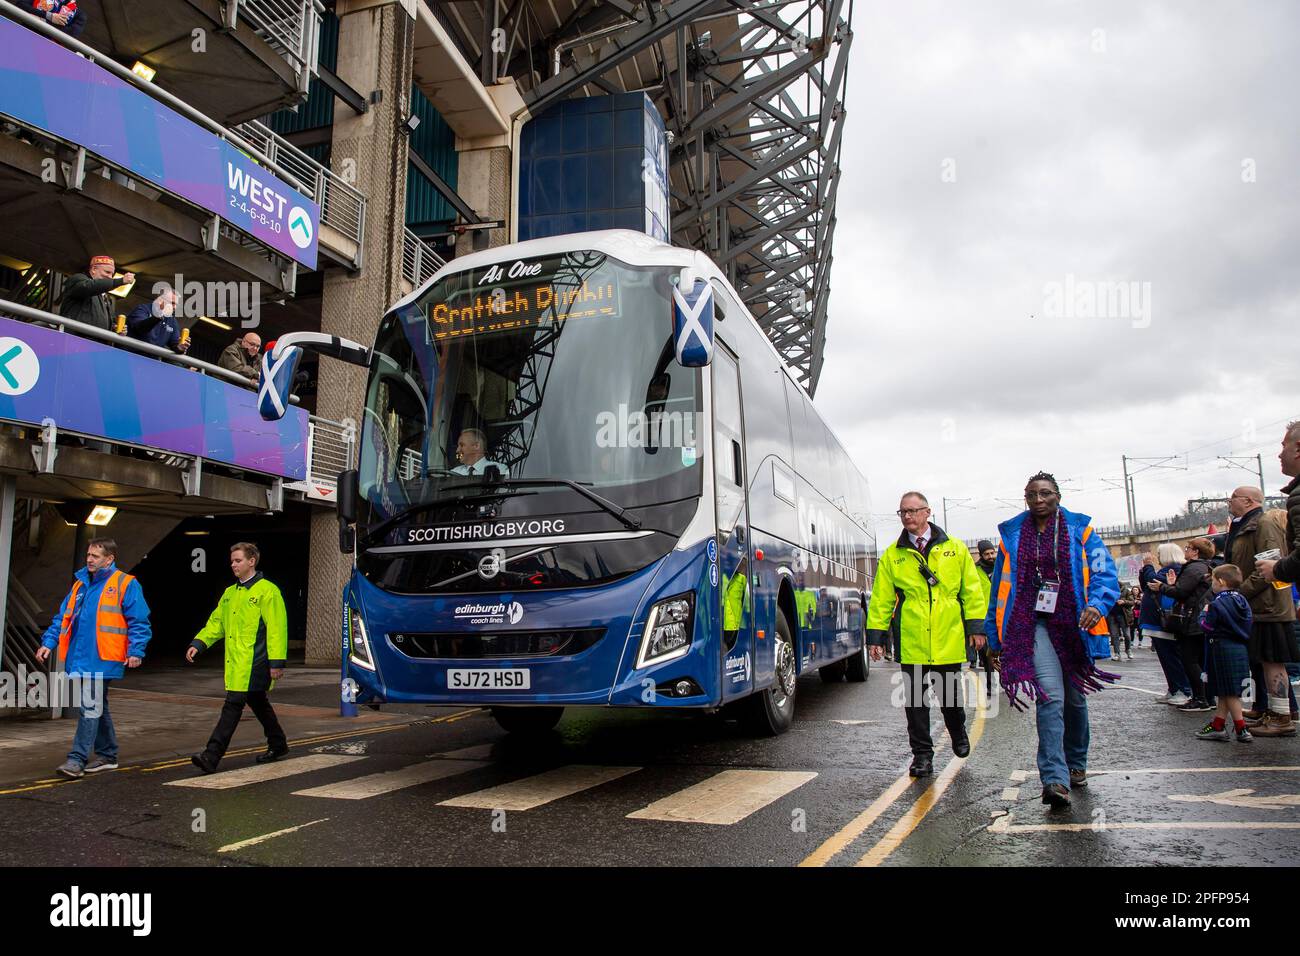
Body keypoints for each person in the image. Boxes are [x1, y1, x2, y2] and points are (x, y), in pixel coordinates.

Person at [984, 472, 1118, 808]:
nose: (1039, 499)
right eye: (1032, 494)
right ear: (1025, 498)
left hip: (1074, 623)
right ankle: (1054, 779)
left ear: (1058, 495)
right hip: (1033, 624)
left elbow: (1105, 574)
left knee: (1074, 700)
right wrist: (992, 635)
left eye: (1045, 493)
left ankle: (1075, 763)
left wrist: (1097, 605)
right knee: (1051, 698)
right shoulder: (1011, 536)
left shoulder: (1081, 530)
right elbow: (998, 587)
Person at [865, 492, 987, 777]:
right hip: (913, 638)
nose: (907, 516)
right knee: (916, 704)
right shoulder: (893, 556)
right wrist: (876, 637)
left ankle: (957, 733)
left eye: (912, 511)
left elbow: (972, 591)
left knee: (949, 699)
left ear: (927, 512)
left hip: (948, 636)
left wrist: (976, 629)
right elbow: (882, 599)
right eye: (902, 512)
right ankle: (922, 755)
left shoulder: (955, 549)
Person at [35, 538, 151, 778]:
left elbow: (138, 621)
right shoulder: (80, 585)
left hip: (103, 657)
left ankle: (76, 759)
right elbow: (62, 618)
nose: (89, 559)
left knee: (89, 706)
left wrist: (136, 651)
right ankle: (108, 755)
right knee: (97, 706)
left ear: (109, 559)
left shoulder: (125, 583)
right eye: (89, 554)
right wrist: (48, 643)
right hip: (82, 656)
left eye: (95, 556)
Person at [186, 543, 290, 772]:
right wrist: (199, 643)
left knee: (233, 706)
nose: (233, 564)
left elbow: (276, 629)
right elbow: (216, 624)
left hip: (256, 662)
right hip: (237, 663)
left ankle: (211, 756)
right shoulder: (229, 593)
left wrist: (276, 663)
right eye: (232, 561)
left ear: (251, 561)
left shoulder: (267, 591)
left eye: (238, 560)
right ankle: (278, 743)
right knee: (258, 702)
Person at [1223, 486, 1298, 737]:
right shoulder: (1246, 524)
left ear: (1247, 500)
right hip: (1259, 605)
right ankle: (1270, 711)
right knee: (1264, 660)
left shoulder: (1264, 523)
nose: (1229, 501)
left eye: (1233, 497)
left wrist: (1239, 593)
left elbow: (1270, 565)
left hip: (1269, 605)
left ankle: (1281, 716)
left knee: (1272, 660)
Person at [1149, 537, 1216, 712]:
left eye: (1188, 548)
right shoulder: (1203, 567)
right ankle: (1207, 697)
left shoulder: (1194, 568)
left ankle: (1200, 698)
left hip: (1192, 619)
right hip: (1199, 618)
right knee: (1199, 661)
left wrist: (1162, 587)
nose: (1185, 550)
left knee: (1190, 661)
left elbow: (1181, 592)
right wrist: (1172, 585)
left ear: (1196, 552)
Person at [1194, 564, 1254, 743]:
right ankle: (1218, 725)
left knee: (1229, 692)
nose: (1212, 584)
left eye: (1213, 580)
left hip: (1221, 648)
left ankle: (1241, 728)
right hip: (1240, 647)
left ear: (1221, 581)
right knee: (1225, 689)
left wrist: (1202, 616)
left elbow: (1208, 627)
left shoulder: (1217, 603)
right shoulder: (1243, 600)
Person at [1141, 544, 1192, 705]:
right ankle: (1174, 688)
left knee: (1172, 658)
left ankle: (1184, 690)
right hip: (1157, 622)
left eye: (1159, 554)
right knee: (1165, 658)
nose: (1157, 557)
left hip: (1165, 622)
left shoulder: (1175, 569)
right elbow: (1146, 585)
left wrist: (1148, 566)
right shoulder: (1166, 570)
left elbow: (1152, 581)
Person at [58, 256, 135, 331]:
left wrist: (115, 327)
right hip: (75, 338)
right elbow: (89, 287)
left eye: (112, 274)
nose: (110, 277)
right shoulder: (78, 279)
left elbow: (105, 322)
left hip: (97, 341)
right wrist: (120, 281)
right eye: (107, 272)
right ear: (94, 269)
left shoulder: (106, 297)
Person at [125, 288, 189, 353]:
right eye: (172, 303)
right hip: (130, 355)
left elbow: (174, 343)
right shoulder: (142, 309)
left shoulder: (172, 320)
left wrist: (180, 347)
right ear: (160, 300)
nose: (175, 307)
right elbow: (140, 328)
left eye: (176, 305)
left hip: (152, 360)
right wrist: (158, 316)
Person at [975, 540, 998, 696]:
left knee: (1003, 651)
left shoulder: (1001, 567)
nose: (990, 556)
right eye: (987, 554)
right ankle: (990, 684)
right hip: (983, 617)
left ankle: (1006, 679)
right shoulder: (975, 570)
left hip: (1001, 616)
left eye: (992, 553)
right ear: (981, 555)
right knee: (986, 654)